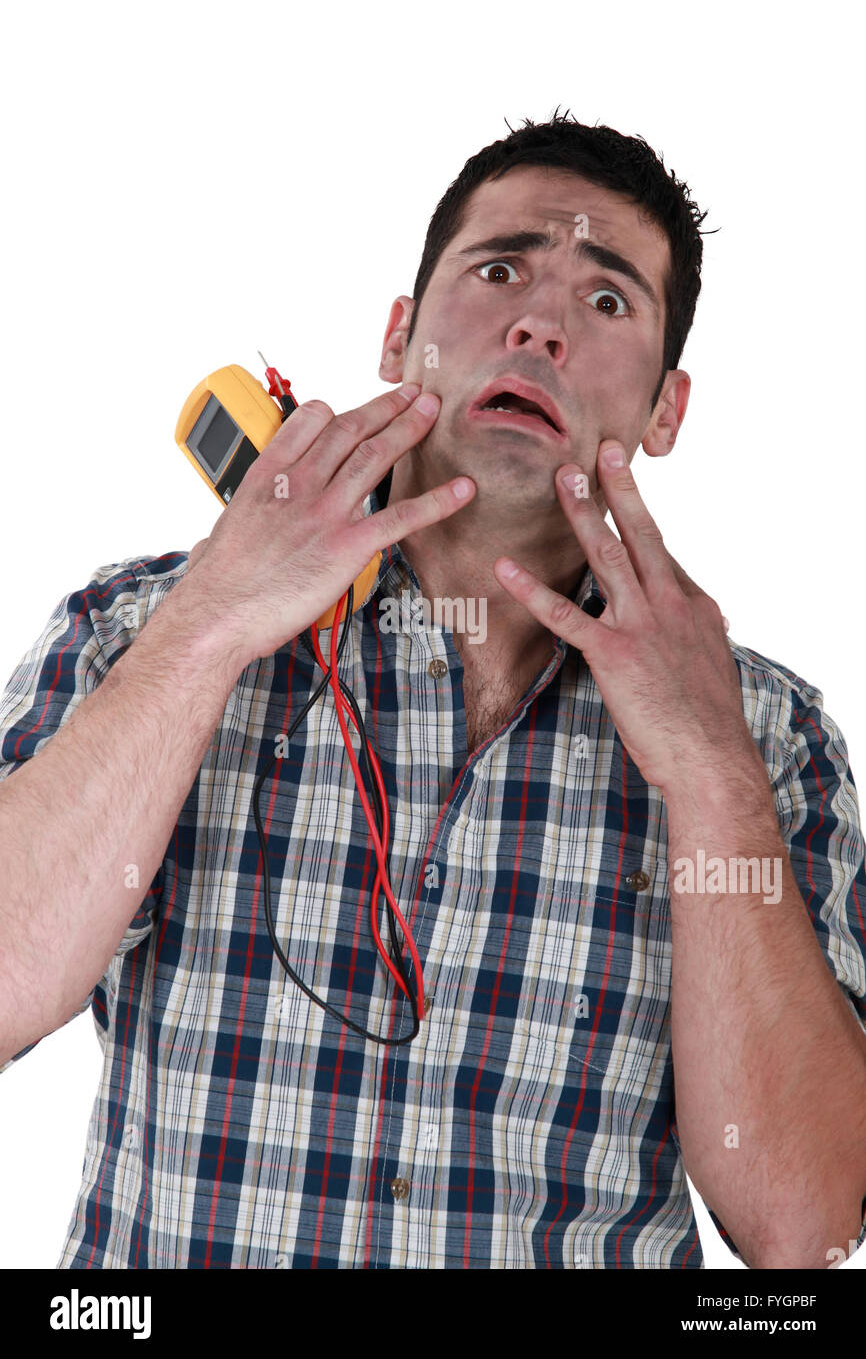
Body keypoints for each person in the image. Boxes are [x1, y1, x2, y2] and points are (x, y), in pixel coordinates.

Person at [1, 110, 865, 1270]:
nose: (538, 322)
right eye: (500, 267)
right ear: (399, 333)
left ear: (664, 410)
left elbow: (800, 1226)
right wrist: (207, 626)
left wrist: (711, 776)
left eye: (606, 301)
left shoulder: (771, 738)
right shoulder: (141, 631)